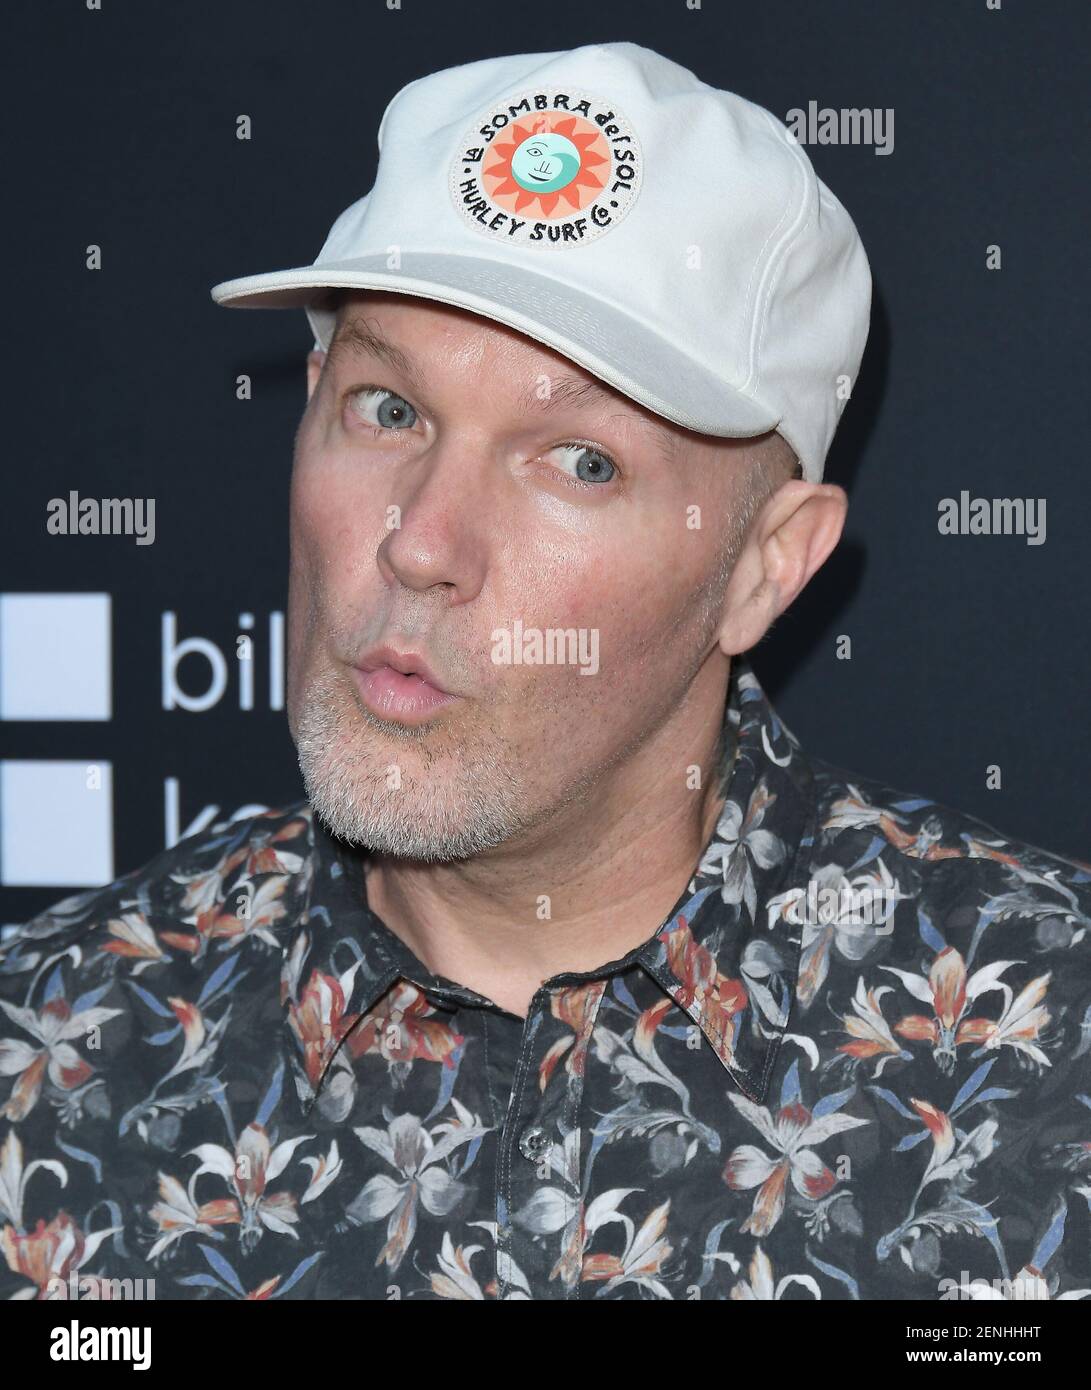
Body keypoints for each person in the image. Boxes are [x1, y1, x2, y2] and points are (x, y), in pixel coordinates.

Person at [2, 41, 1088, 1303]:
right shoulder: (49, 1055)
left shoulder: (1048, 1063)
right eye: (386, 409)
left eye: (578, 459)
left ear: (765, 567)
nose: (418, 541)